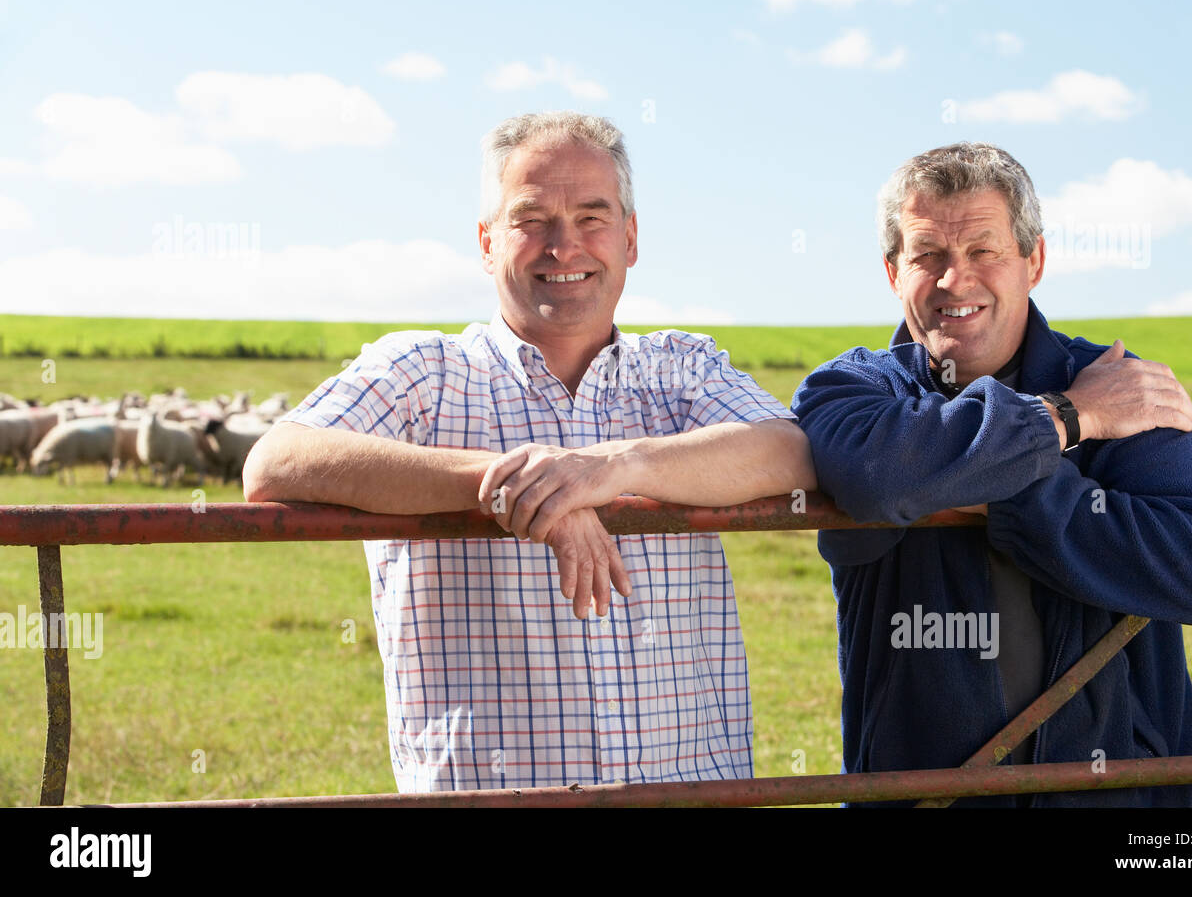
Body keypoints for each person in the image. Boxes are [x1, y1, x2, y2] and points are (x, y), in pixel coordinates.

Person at [243, 111, 816, 793]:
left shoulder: (681, 369)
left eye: (592, 218)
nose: (563, 246)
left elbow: (791, 453)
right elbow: (276, 461)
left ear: (630, 239)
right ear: (487, 242)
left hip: (684, 791)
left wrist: (609, 470)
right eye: (532, 219)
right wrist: (510, 485)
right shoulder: (423, 372)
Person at [791, 142, 1192, 807]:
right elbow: (880, 477)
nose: (957, 279)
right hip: (927, 799)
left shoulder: (1120, 384)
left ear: (1033, 261)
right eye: (929, 256)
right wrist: (1067, 419)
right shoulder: (850, 391)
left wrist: (990, 486)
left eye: (984, 250)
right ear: (893, 272)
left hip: (1125, 802)